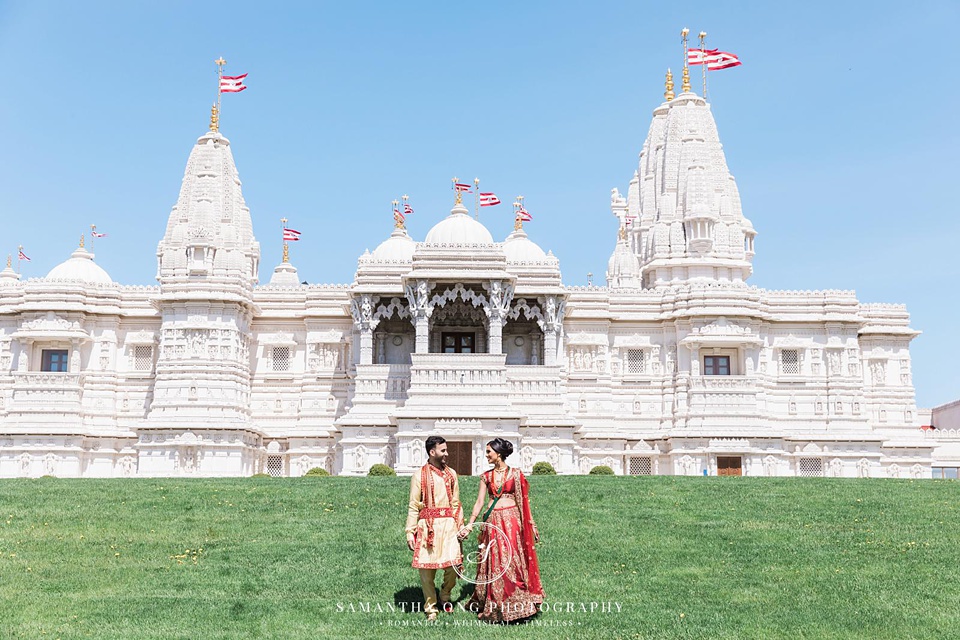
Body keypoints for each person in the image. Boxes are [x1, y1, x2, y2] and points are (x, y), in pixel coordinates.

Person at [463, 438, 545, 622]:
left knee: (513, 561)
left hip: (512, 522)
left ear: (498, 453)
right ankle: (494, 604)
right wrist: (471, 522)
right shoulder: (486, 476)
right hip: (492, 522)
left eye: (489, 452)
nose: (486, 456)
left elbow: (523, 502)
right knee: (494, 561)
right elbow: (479, 502)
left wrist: (531, 524)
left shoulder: (516, 474)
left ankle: (519, 603)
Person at [405, 435, 464, 621]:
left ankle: (445, 595)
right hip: (427, 526)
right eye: (443, 450)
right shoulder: (419, 475)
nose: (447, 453)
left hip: (449, 525)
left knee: (453, 564)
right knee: (427, 571)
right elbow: (414, 505)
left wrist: (459, 526)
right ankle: (431, 608)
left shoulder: (451, 474)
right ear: (432, 452)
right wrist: (409, 531)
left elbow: (456, 503)